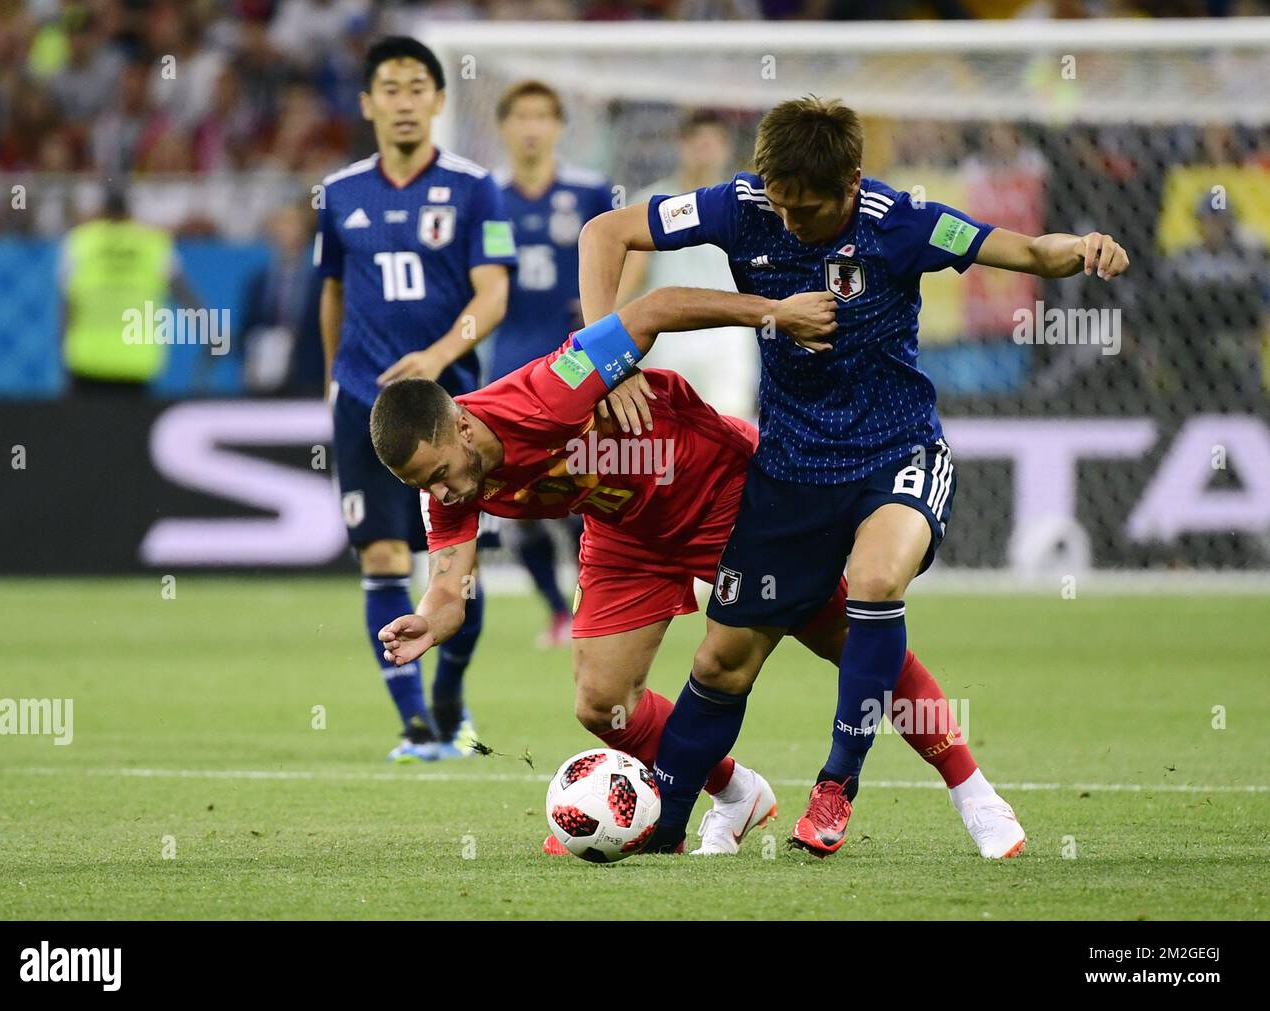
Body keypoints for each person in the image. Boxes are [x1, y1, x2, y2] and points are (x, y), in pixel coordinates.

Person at [579, 96, 1129, 856]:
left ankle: (837, 782)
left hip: (896, 453)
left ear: (852, 183)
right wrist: (602, 357)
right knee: (720, 659)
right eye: (782, 203)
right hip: (791, 471)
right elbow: (606, 230)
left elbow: (1032, 252)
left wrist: (1087, 247)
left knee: (875, 580)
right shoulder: (741, 206)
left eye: (809, 210)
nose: (792, 221)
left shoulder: (899, 222)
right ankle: (663, 821)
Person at [372, 285, 1016, 859]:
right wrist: (429, 622)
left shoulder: (547, 389)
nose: (443, 492)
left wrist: (774, 313)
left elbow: (654, 310)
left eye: (438, 473)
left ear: (459, 420)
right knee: (602, 703)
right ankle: (735, 791)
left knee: (848, 636)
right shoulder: (444, 488)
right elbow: (450, 586)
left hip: (722, 495)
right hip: (627, 530)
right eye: (422, 485)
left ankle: (976, 795)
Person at [315, 36, 516, 762]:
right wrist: (335, 376)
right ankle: (416, 725)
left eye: (416, 87)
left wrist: (435, 357)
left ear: (438, 100)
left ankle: (450, 698)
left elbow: (493, 292)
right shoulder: (339, 194)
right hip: (362, 405)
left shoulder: (473, 187)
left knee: (456, 566)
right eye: (389, 88)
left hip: (452, 408)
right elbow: (332, 291)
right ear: (368, 103)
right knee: (383, 554)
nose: (403, 101)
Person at [490, 79, 614, 647]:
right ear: (505, 127)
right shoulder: (485, 198)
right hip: (509, 371)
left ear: (559, 127)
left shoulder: (590, 194)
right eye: (522, 116)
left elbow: (627, 252)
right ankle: (557, 611)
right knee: (521, 507)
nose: (533, 127)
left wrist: (601, 313)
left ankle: (596, 613)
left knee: (590, 494)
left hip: (577, 371)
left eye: (544, 115)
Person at [614, 109, 759, 419]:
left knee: (732, 426)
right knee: (668, 430)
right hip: (669, 336)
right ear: (681, 145)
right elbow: (633, 272)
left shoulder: (743, 206)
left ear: (726, 148)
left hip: (728, 336)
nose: (704, 150)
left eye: (713, 142)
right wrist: (607, 324)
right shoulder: (652, 201)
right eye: (697, 141)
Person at [60, 185, 199, 397]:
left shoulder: (80, 242)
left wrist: (62, 347)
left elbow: (66, 303)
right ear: (130, 212)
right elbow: (185, 296)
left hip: (88, 359)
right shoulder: (154, 244)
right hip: (136, 360)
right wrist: (212, 335)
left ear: (103, 211)